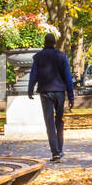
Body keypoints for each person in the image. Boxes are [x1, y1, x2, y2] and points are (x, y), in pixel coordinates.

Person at [27, 33, 75, 161]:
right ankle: (60, 148)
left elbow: (33, 75)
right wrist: (71, 96)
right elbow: (68, 77)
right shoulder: (62, 56)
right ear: (55, 42)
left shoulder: (38, 57)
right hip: (60, 92)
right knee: (59, 121)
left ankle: (56, 152)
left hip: (45, 92)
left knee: (49, 123)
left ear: (44, 42)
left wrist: (30, 89)